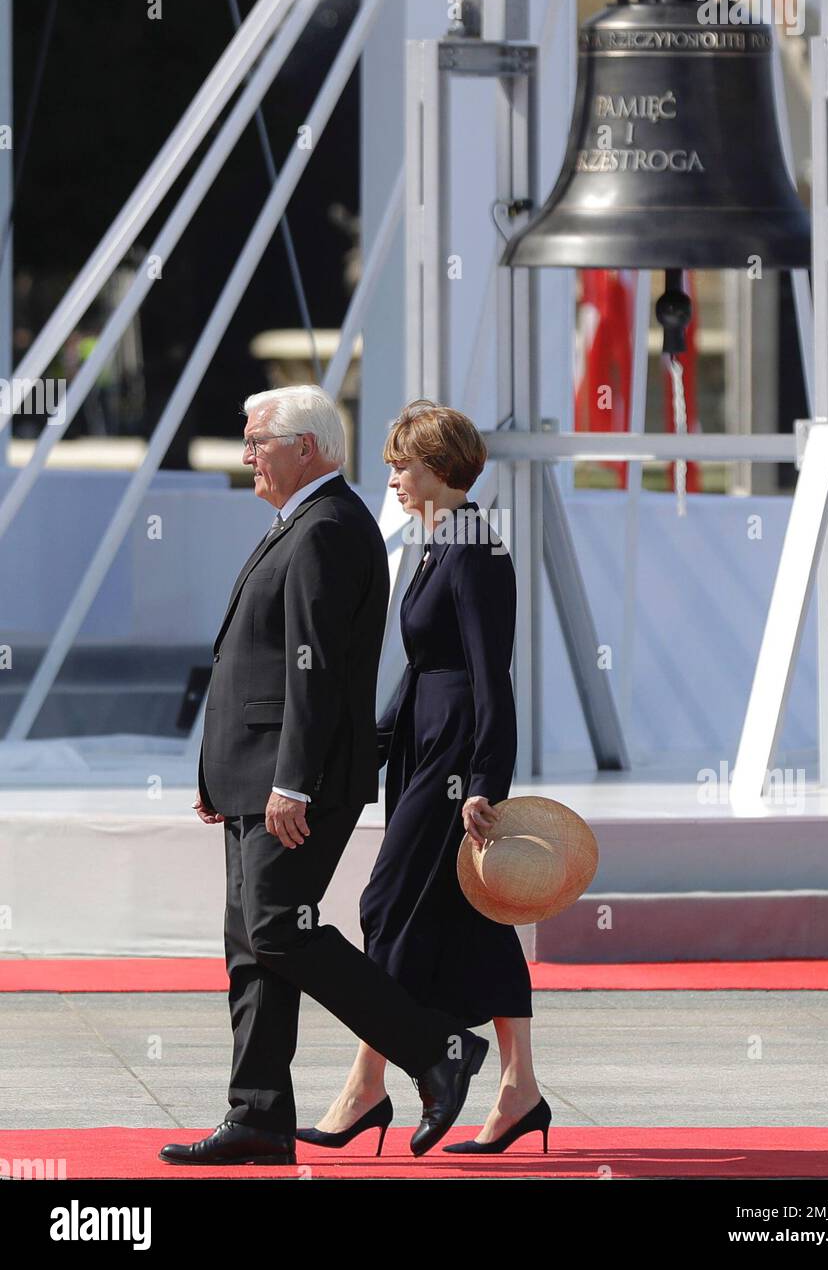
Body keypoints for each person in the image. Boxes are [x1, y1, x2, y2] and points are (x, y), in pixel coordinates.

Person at [159, 386, 488, 1166]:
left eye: (255, 441)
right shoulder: (300, 524)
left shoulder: (328, 528)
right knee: (252, 943)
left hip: (295, 780)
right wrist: (222, 776)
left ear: (303, 447)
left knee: (278, 926)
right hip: (256, 774)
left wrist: (293, 782)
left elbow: (316, 672)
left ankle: (437, 1046)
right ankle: (259, 1115)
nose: (245, 456)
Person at [298, 400, 550, 1156]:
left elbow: (489, 676)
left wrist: (484, 779)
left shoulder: (473, 547)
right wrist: (370, 745)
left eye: (403, 463)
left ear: (441, 467)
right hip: (421, 742)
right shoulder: (438, 543)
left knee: (386, 902)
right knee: (476, 913)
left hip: (452, 756)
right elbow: (422, 669)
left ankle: (370, 1081)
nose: (393, 476)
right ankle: (520, 1090)